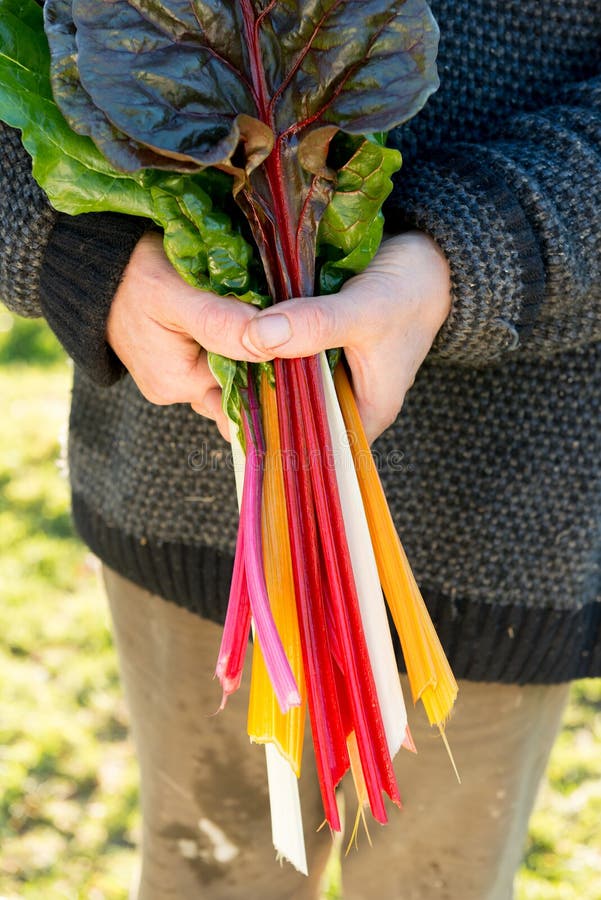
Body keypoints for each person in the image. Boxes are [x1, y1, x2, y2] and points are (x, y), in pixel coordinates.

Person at [1, 1, 599, 898]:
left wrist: (475, 252)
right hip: (183, 505)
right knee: (208, 873)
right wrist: (74, 253)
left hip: (502, 529)